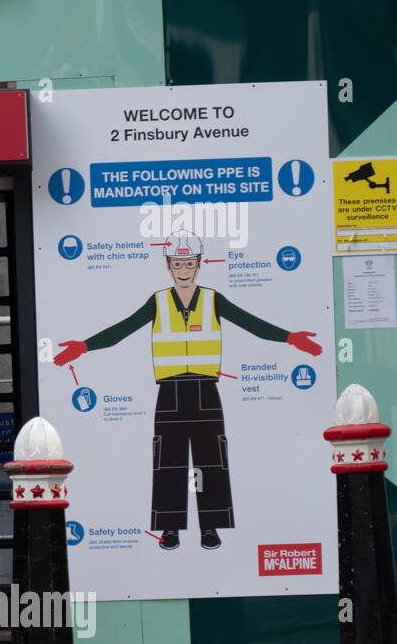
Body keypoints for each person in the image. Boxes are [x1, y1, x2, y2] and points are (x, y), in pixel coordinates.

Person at [54, 230, 322, 550]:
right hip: (169, 392)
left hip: (206, 389)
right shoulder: (158, 301)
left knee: (210, 460)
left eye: (189, 263)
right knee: (169, 461)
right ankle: (170, 529)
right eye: (177, 263)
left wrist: (291, 338)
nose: (183, 269)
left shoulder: (212, 299)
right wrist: (83, 347)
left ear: (199, 264)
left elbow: (251, 324)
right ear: (168, 266)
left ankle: (210, 527)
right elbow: (122, 330)